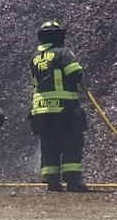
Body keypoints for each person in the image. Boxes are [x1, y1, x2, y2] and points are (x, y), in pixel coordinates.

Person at [29, 20, 89, 192]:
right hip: (64, 108)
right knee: (71, 142)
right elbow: (75, 73)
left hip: (40, 110)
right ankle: (73, 181)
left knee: (49, 144)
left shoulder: (35, 57)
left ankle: (52, 181)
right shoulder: (63, 52)